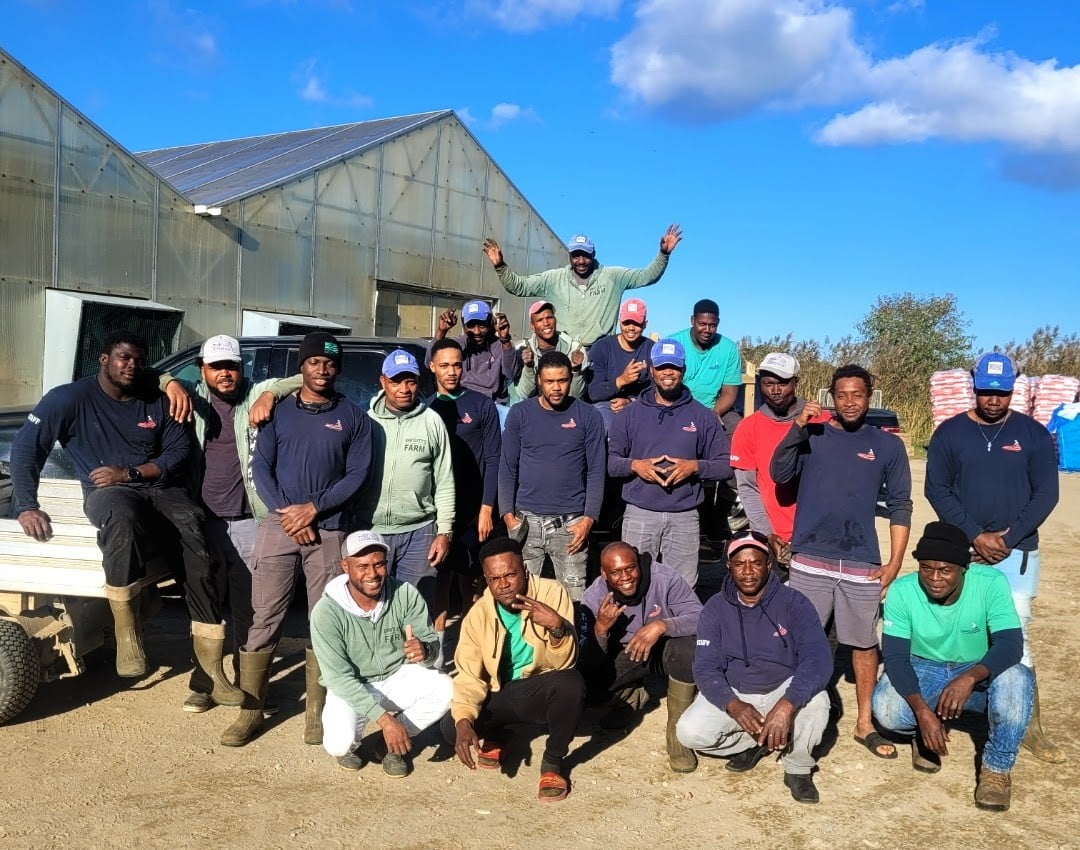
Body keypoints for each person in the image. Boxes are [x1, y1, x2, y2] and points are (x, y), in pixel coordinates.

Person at [10, 330, 229, 688]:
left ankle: (211, 666)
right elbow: (26, 450)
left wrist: (130, 472)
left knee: (194, 534)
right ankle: (127, 633)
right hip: (106, 492)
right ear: (104, 359)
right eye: (124, 358)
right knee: (120, 516)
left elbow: (178, 452)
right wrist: (26, 506)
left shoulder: (158, 398)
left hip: (157, 487)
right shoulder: (68, 398)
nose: (131, 366)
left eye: (139, 361)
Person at [221, 331, 372, 749]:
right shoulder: (278, 414)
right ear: (301, 366)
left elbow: (356, 476)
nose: (322, 370)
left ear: (337, 369)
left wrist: (314, 508)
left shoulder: (354, 418)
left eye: (329, 363)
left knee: (323, 620)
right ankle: (250, 710)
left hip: (328, 528)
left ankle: (316, 714)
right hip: (279, 525)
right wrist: (290, 514)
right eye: (314, 362)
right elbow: (261, 469)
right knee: (263, 614)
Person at [770, 364, 912, 761]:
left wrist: (896, 560)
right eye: (842, 394)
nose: (850, 402)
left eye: (858, 394)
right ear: (831, 396)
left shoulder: (887, 446)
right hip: (810, 556)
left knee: (864, 644)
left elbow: (901, 505)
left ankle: (864, 722)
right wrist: (798, 425)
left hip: (861, 560)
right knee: (799, 640)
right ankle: (791, 713)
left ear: (870, 397)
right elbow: (779, 472)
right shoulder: (814, 434)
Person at [925, 352, 1062, 763]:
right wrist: (974, 535)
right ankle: (939, 713)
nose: (993, 400)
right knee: (954, 631)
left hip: (1016, 554)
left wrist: (1008, 536)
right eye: (985, 391)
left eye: (1001, 392)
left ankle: (1026, 726)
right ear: (973, 385)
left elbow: (1047, 494)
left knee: (1015, 639)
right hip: (962, 553)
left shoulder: (1034, 434)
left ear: (1012, 389)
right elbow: (937, 490)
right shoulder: (950, 433)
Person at [164, 334, 302, 713]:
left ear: (243, 368)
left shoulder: (256, 393)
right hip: (200, 521)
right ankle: (204, 681)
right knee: (204, 606)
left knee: (249, 606)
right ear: (203, 370)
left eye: (232, 366)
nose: (226, 373)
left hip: (247, 521)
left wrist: (271, 395)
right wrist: (170, 381)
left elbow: (307, 378)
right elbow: (146, 375)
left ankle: (248, 682)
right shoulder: (190, 396)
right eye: (217, 367)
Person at [872, 521, 1034, 811]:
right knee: (887, 711)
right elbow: (896, 658)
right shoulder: (903, 591)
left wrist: (969, 677)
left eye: (945, 570)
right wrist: (922, 712)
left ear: (963, 568)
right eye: (926, 568)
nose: (935, 578)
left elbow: (1010, 644)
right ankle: (925, 731)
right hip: (924, 666)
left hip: (976, 667)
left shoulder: (991, 583)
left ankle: (996, 770)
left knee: (1016, 677)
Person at [676, 531, 832, 804]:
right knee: (689, 732)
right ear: (729, 567)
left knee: (818, 702)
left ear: (769, 565)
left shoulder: (795, 603)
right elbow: (705, 667)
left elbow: (818, 659)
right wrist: (734, 705)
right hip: (738, 689)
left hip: (782, 686)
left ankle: (798, 767)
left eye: (756, 563)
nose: (748, 571)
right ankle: (758, 741)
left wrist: (786, 705)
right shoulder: (714, 608)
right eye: (739, 564)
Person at [443, 537, 583, 803]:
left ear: (525, 571)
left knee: (571, 683)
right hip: (499, 694)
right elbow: (469, 676)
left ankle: (553, 762)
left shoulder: (553, 593)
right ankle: (499, 733)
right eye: (495, 579)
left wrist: (557, 627)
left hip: (536, 690)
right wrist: (463, 720)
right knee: (452, 728)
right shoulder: (478, 614)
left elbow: (565, 665)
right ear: (486, 579)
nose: (504, 584)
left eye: (510, 574)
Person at [311, 530, 453, 777]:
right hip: (353, 685)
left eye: (379, 565)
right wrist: (386, 720)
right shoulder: (326, 611)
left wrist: (426, 650)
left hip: (396, 675)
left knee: (447, 688)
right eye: (362, 566)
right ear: (345, 566)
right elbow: (338, 678)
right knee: (338, 744)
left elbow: (430, 643)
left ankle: (390, 745)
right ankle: (363, 740)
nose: (373, 574)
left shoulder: (405, 593)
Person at [607, 338, 732, 590]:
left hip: (685, 517)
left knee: (682, 590)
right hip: (639, 513)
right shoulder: (630, 414)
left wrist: (694, 467)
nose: (668, 373)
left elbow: (725, 466)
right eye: (662, 367)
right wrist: (636, 466)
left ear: (683, 370)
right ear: (652, 370)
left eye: (673, 367)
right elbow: (610, 464)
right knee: (633, 587)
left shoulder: (703, 416)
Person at [577, 542, 701, 771]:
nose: (626, 577)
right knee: (584, 688)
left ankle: (677, 736)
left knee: (689, 650)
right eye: (616, 572)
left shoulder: (664, 578)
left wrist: (662, 625)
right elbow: (588, 659)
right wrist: (601, 629)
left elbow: (699, 616)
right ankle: (631, 696)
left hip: (666, 648)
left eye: (630, 568)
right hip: (628, 653)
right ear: (604, 574)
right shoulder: (593, 596)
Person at [351, 349, 455, 621]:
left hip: (419, 533)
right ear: (383, 382)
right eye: (397, 381)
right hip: (371, 530)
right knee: (371, 607)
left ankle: (415, 663)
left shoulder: (432, 422)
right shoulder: (367, 422)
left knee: (416, 608)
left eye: (410, 381)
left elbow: (444, 481)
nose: (404, 389)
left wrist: (444, 531)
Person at [499, 351, 606, 602]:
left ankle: (569, 642)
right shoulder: (520, 414)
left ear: (571, 379)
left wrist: (589, 518)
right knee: (521, 598)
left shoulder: (588, 416)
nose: (557, 388)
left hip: (571, 523)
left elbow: (597, 470)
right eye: (550, 381)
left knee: (572, 601)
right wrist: (508, 516)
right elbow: (507, 467)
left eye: (563, 380)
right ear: (538, 380)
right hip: (526, 521)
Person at [483, 225, 683, 346]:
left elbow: (647, 276)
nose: (580, 260)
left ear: (593, 255)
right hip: (563, 350)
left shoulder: (612, 276)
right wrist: (500, 265)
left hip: (600, 351)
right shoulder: (553, 279)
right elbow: (519, 286)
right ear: (569, 256)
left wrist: (663, 254)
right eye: (575, 255)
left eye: (585, 255)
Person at [426, 338, 501, 659]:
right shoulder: (425, 408)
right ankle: (438, 657)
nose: (452, 371)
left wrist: (487, 508)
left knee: (471, 585)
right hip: (439, 516)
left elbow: (495, 458)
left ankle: (471, 653)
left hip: (474, 514)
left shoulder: (481, 405)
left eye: (457, 364)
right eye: (444, 365)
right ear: (432, 367)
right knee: (439, 586)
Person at [730, 352, 830, 573]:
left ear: (796, 382)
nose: (775, 390)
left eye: (783, 383)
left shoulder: (822, 422)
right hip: (776, 539)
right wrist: (767, 534)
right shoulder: (748, 428)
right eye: (768, 383)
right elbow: (748, 487)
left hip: (819, 537)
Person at [668, 299, 743, 432]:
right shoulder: (673, 343)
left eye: (712, 325)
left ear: (718, 323)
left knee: (736, 426)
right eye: (702, 324)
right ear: (692, 320)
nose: (707, 330)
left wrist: (714, 413)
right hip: (678, 405)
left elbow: (729, 392)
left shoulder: (729, 348)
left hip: (714, 407)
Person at [584, 297, 654, 432]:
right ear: (619, 321)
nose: (631, 328)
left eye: (637, 323)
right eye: (627, 322)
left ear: (645, 324)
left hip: (642, 406)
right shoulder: (602, 347)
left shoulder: (652, 349)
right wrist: (621, 380)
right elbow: (593, 393)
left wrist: (631, 402)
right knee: (605, 426)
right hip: (607, 405)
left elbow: (656, 391)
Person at [426, 300, 516, 400]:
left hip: (492, 402)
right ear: (464, 326)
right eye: (471, 326)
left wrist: (505, 340)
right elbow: (429, 364)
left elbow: (511, 373)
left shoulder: (500, 345)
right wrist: (441, 332)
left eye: (482, 326)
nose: (477, 332)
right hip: (462, 400)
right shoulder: (457, 345)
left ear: (490, 324)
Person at [509, 301, 588, 404]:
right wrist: (529, 368)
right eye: (540, 320)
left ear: (555, 320)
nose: (546, 323)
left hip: (566, 409)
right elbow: (525, 394)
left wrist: (576, 371)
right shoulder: (522, 351)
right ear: (532, 326)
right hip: (534, 409)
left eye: (549, 318)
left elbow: (576, 395)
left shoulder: (576, 350)